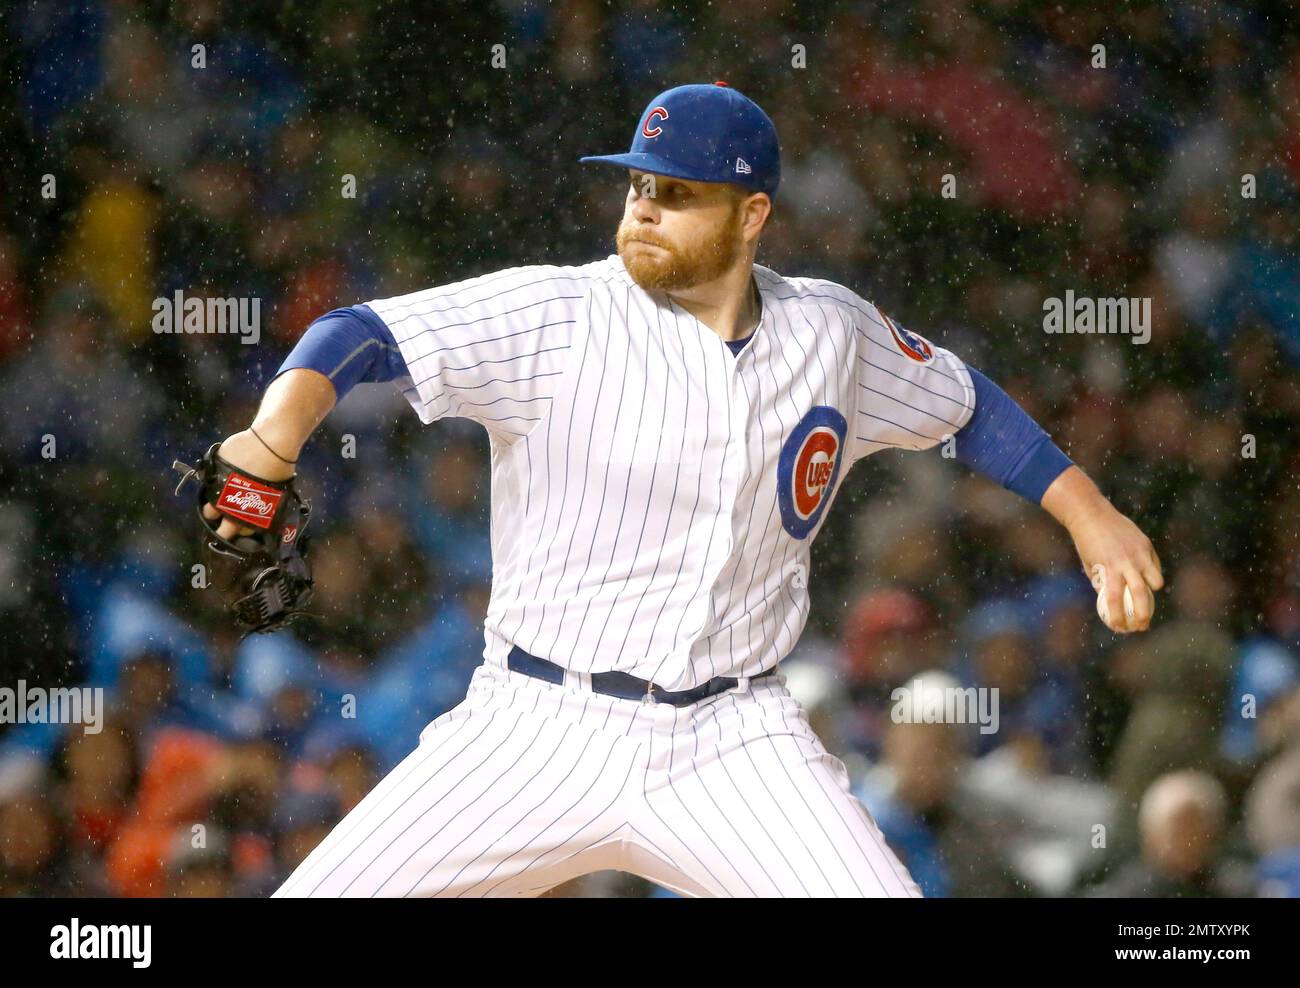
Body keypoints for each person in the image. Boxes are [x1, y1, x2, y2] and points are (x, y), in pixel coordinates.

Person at [196, 83, 1162, 897]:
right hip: (536, 724)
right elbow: (357, 334)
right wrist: (274, 434)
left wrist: (1090, 512)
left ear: (752, 216)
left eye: (677, 193)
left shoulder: (831, 333)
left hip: (733, 737)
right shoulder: (560, 311)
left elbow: (964, 405)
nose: (643, 208)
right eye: (637, 186)